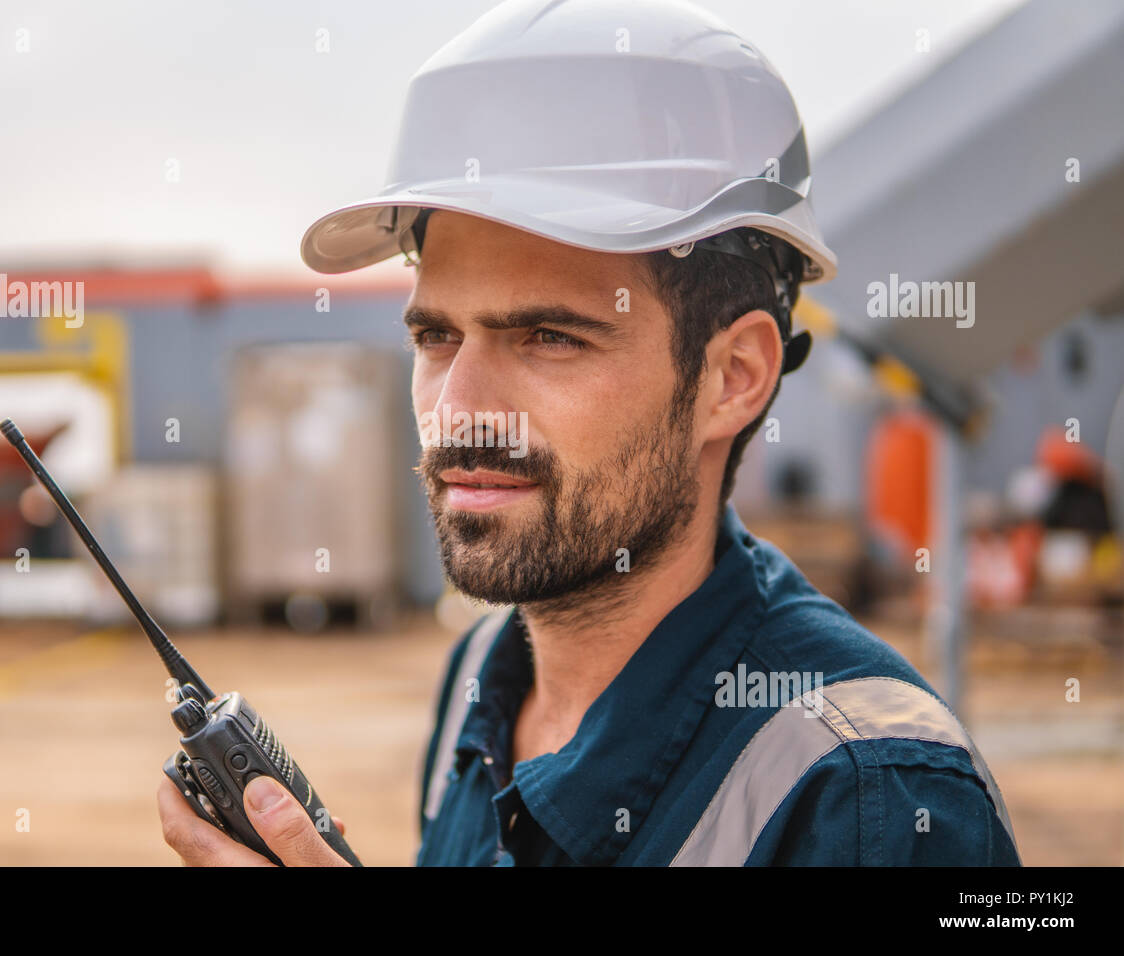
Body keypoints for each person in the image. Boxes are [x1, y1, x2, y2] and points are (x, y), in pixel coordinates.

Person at [158, 0, 1020, 866]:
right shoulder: (480, 683)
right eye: (436, 336)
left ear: (734, 378)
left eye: (550, 338)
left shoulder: (872, 798)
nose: (458, 410)